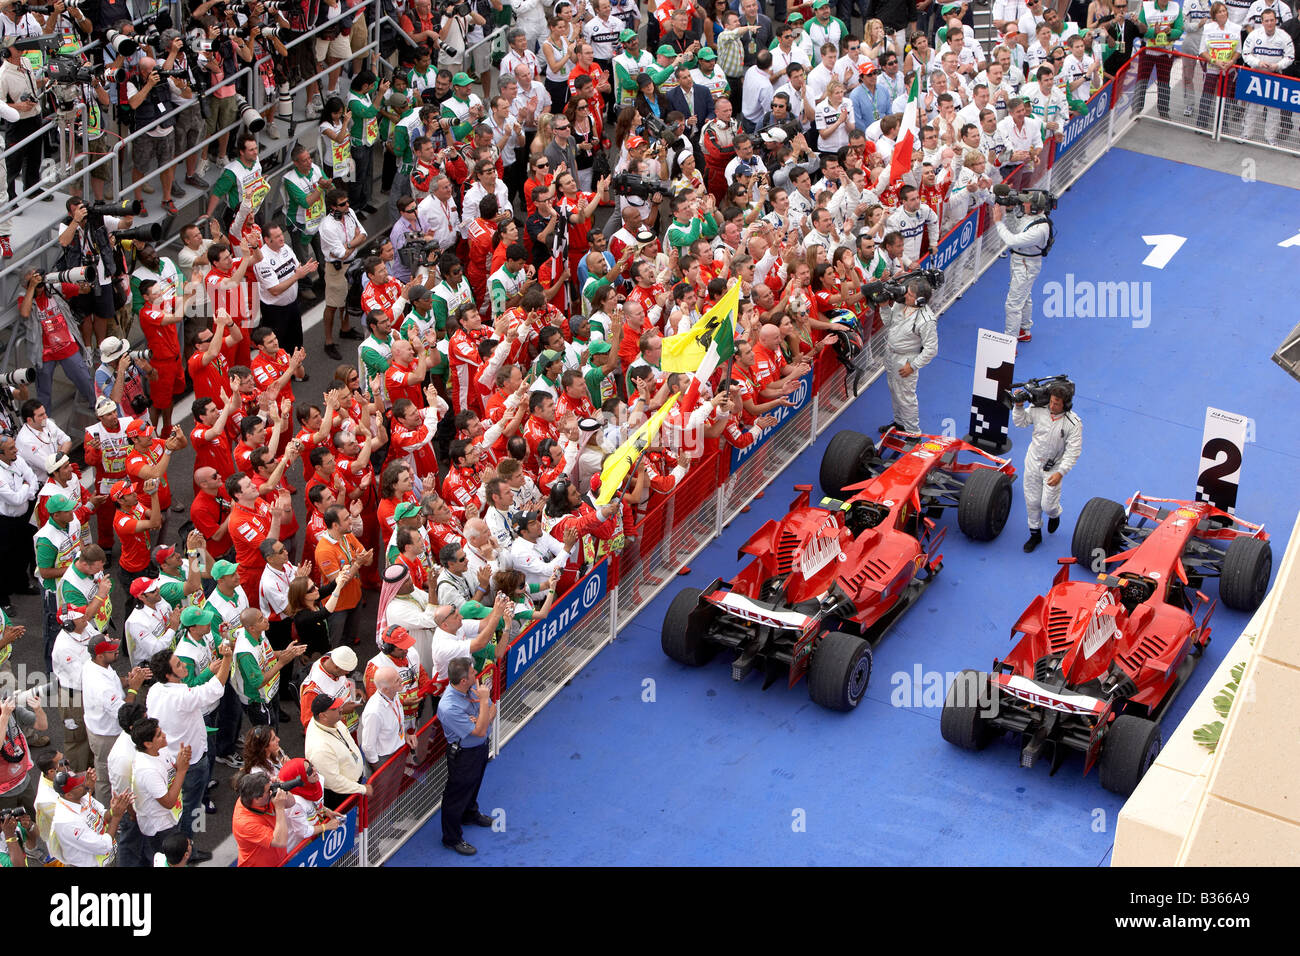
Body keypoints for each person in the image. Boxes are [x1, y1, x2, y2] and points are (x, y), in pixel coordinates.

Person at [146, 642, 235, 841]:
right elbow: (214, 689)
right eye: (178, 665)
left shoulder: (155, 690)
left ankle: (184, 843)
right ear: (169, 675)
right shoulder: (181, 696)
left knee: (184, 803)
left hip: (172, 759)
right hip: (192, 761)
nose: (185, 666)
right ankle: (189, 845)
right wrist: (227, 659)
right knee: (193, 806)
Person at [436, 656, 496, 855]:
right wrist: (483, 710)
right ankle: (451, 838)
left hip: (479, 748)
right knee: (456, 795)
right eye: (472, 672)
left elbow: (492, 709)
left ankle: (469, 814)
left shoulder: (472, 688)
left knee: (475, 784)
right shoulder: (449, 707)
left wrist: (481, 717)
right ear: (463, 681)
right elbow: (479, 729)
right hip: (464, 756)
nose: (475, 673)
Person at [1014, 385, 1083, 552]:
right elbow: (1020, 422)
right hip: (1033, 462)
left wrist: (1061, 473)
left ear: (1066, 405)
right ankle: (1035, 534)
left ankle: (1054, 514)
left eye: (1057, 404)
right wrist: (1018, 406)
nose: (1052, 406)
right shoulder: (1038, 409)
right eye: (1051, 402)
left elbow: (1073, 451)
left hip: (1054, 468)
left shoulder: (1073, 423)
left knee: (1047, 505)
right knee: (1032, 501)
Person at [878, 275, 939, 434]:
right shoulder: (900, 304)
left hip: (906, 360)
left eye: (910, 295)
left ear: (921, 300)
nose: (905, 295)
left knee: (906, 398)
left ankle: (913, 434)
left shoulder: (927, 320)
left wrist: (912, 366)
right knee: (894, 390)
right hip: (890, 354)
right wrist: (884, 307)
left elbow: (931, 349)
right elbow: (889, 323)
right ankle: (899, 423)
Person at [991, 196, 1054, 342]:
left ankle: (1009, 343)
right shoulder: (1031, 217)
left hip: (1026, 266)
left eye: (1026, 202)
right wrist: (1010, 211)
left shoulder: (1039, 229)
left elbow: (1011, 240)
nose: (1023, 204)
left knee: (1013, 305)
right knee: (1024, 297)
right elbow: (1014, 229)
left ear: (1034, 207)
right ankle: (1024, 330)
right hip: (1021, 261)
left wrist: (998, 222)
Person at [129, 717, 190, 860]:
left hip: (171, 816)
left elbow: (171, 770)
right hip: (161, 827)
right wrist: (182, 771)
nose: (164, 735)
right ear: (147, 744)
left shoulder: (160, 750)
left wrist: (180, 762)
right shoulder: (147, 771)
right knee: (168, 860)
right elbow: (168, 802)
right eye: (158, 735)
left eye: (161, 731)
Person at [49, 770, 132, 867]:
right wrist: (117, 817)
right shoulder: (67, 822)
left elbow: (104, 815)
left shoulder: (81, 797)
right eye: (78, 785)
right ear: (69, 795)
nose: (84, 784)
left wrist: (114, 810)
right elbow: (103, 846)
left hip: (105, 859)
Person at [304, 693, 370, 809]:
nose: (341, 709)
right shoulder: (320, 748)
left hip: (351, 787)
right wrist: (362, 789)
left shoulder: (331, 721)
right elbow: (335, 783)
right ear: (323, 715)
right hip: (340, 796)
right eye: (335, 708)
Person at [0, 434, 37, 613]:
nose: (16, 450)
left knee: (24, 552)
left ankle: (22, 584)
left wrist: (27, 490)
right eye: (12, 449)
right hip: (5, 522)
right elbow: (14, 499)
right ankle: (3, 599)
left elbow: (33, 480)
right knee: (4, 560)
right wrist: (25, 487)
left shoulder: (18, 459)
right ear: (1, 453)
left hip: (23, 517)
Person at [232, 772, 295, 867]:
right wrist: (279, 808)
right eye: (268, 791)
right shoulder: (245, 823)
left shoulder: (255, 798)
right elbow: (281, 841)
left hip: (279, 860)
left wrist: (281, 787)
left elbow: (291, 803)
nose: (272, 792)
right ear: (257, 799)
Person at [360, 665, 408, 770]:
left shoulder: (393, 694)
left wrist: (406, 736)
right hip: (384, 759)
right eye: (397, 680)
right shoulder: (374, 712)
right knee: (386, 786)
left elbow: (397, 721)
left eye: (399, 677)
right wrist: (379, 769)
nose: (401, 680)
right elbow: (368, 746)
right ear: (385, 689)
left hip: (398, 751)